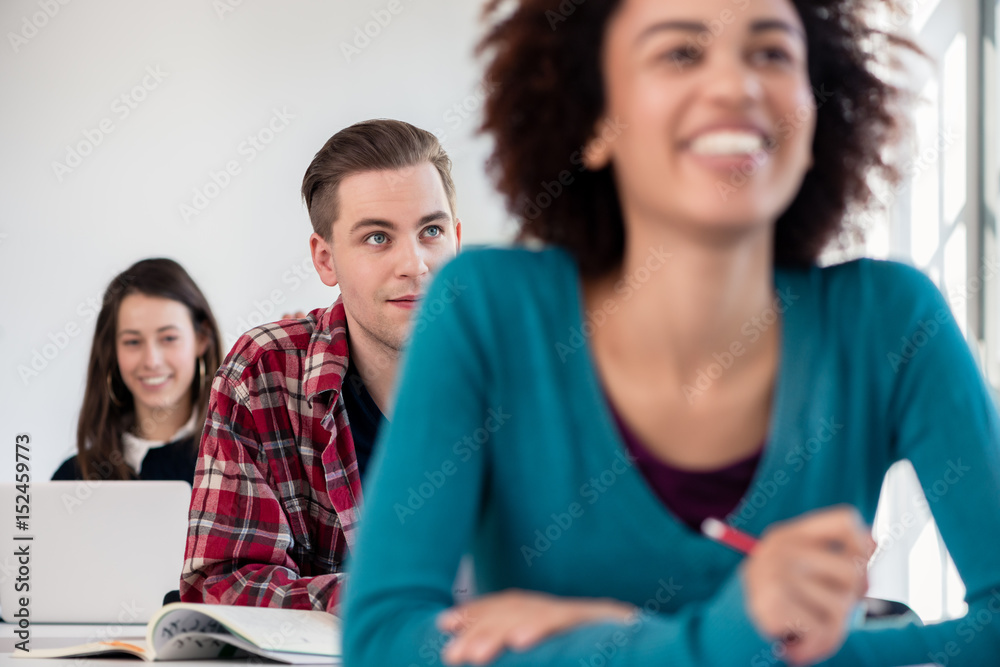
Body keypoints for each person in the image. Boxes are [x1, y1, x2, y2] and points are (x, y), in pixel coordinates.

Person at [341, 0, 1000, 666]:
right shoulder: (486, 310)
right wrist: (721, 639)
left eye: (771, 52)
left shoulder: (891, 322)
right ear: (594, 119)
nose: (736, 85)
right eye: (680, 52)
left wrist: (652, 637)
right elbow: (386, 639)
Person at [179, 119, 462, 611]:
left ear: (456, 241)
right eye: (377, 237)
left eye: (431, 231)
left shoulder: (530, 373)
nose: (415, 264)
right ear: (325, 258)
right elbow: (220, 584)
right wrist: (381, 602)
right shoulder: (262, 374)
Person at [52, 258, 222, 484]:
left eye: (169, 338)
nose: (151, 361)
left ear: (202, 338)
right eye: (133, 341)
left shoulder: (239, 462)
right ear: (112, 350)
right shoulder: (74, 479)